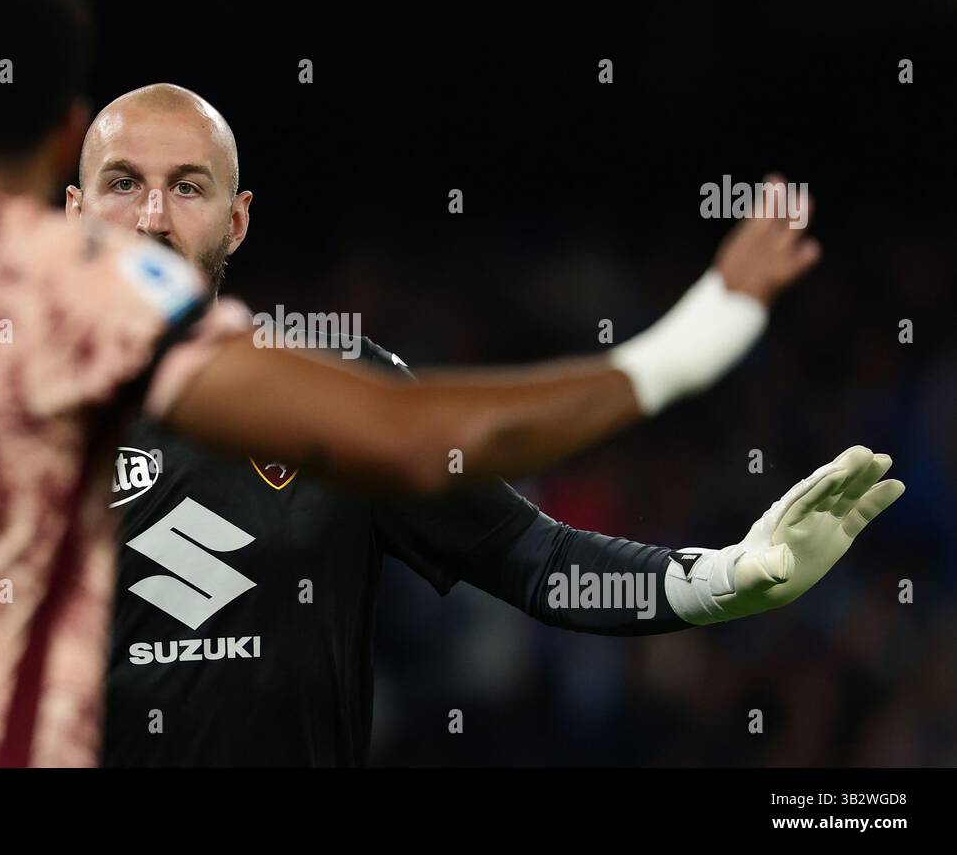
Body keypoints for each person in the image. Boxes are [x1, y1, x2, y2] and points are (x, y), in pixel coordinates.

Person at [66, 83, 903, 765]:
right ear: (73, 213)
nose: (151, 217)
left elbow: (536, 558)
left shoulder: (335, 394)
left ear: (236, 220)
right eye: (123, 183)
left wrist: (734, 576)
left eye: (186, 186)